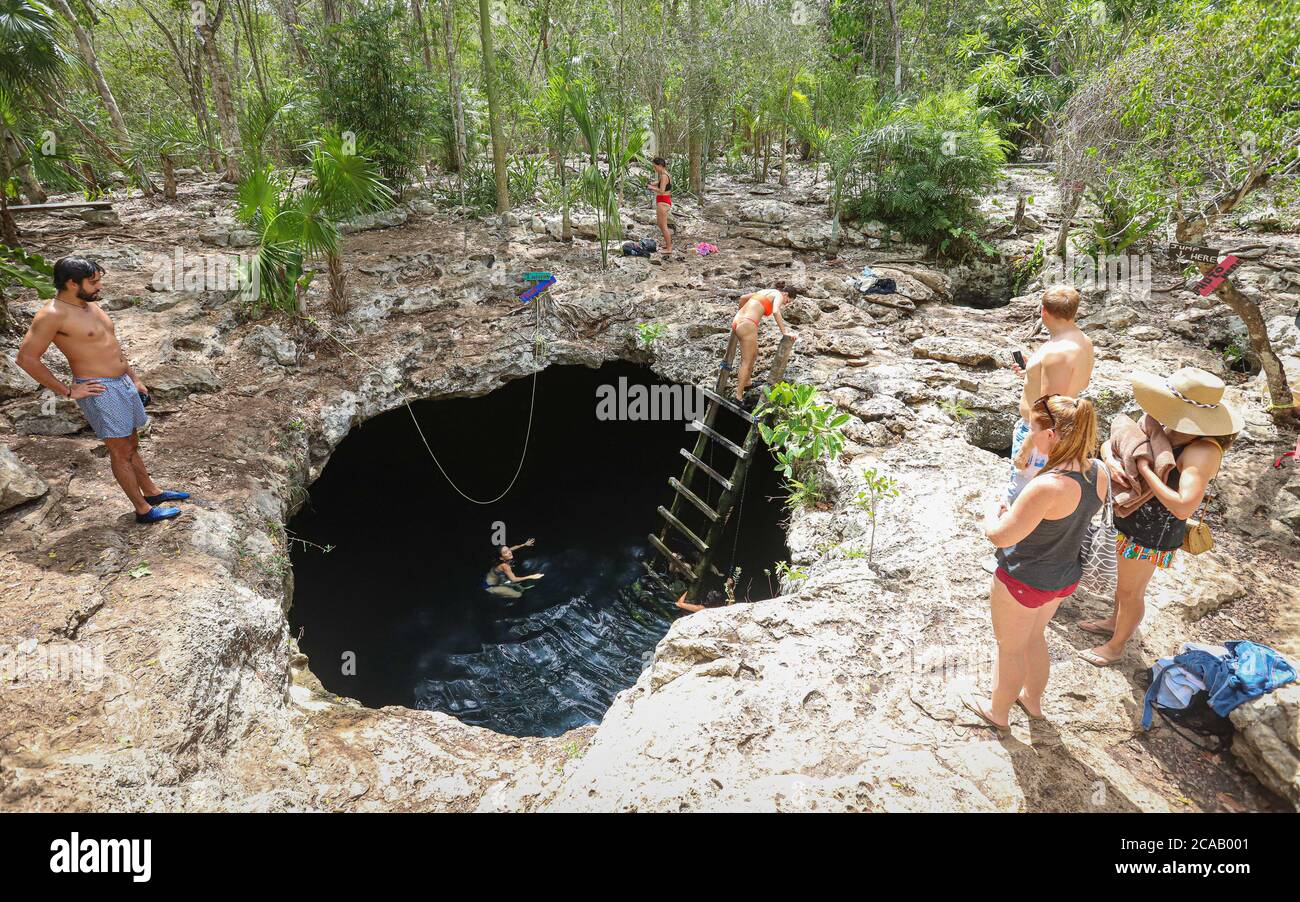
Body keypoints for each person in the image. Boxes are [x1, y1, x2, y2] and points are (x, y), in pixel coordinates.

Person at [1078, 368, 1241, 667]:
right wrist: (1113, 460)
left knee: (1131, 592)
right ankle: (1115, 621)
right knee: (1122, 584)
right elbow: (1118, 441)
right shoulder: (1160, 423)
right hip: (1129, 518)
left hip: (1153, 532)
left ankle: (1115, 648)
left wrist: (1145, 472)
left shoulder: (1202, 451)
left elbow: (1182, 507)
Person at [963, 395, 1105, 731]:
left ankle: (998, 713)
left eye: (1035, 428)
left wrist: (991, 513)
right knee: (1035, 636)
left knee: (1009, 648)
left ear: (1053, 434)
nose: (1031, 434)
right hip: (1065, 577)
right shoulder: (1098, 472)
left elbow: (1000, 536)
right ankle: (1033, 701)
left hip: (1024, 578)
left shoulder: (1047, 487)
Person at [16, 257, 189, 524]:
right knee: (120, 450)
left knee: (131, 443)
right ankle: (143, 510)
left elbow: (112, 346)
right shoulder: (52, 314)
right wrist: (68, 391)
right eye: (93, 281)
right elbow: (27, 358)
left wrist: (134, 378)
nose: (100, 286)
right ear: (72, 283)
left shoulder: (90, 306)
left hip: (123, 383)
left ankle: (152, 493)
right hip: (101, 390)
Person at [982, 284, 1093, 573]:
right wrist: (1032, 370)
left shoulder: (1057, 352)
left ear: (1044, 311)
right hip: (1066, 430)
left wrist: (1028, 446)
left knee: (1023, 494)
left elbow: (1048, 408)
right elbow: (1065, 385)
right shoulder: (1081, 341)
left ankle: (1010, 556)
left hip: (1043, 433)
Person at [731, 283, 796, 405]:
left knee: (754, 353)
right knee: (746, 360)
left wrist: (740, 316)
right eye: (787, 301)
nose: (785, 303)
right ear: (786, 294)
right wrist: (784, 332)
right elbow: (776, 311)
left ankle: (748, 382)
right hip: (748, 323)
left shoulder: (765, 291)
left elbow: (743, 298)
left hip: (738, 320)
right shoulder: (778, 294)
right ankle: (738, 397)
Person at [648, 157, 674, 255]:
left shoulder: (664, 176)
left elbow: (662, 190)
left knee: (663, 226)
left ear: (660, 165)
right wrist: (651, 184)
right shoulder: (664, 174)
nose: (654, 169)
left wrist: (651, 188)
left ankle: (669, 248)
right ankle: (667, 244)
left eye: (655, 167)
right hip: (662, 201)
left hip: (663, 201)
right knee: (660, 224)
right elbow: (660, 184)